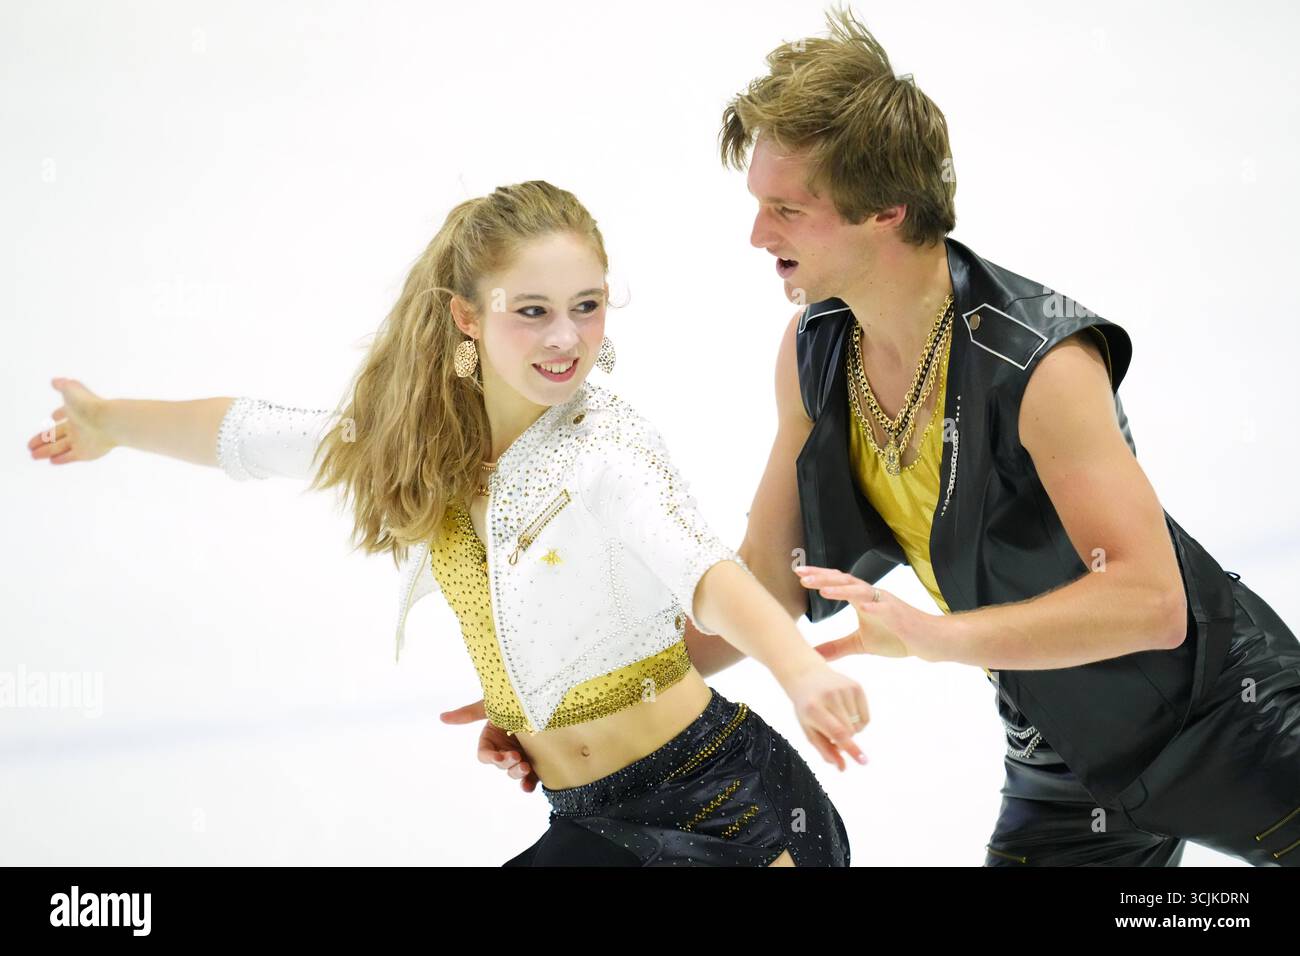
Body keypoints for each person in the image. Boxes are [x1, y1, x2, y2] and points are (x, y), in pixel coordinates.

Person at [466, 7, 1300, 867]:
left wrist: (936, 636)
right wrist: (573, 707)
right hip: (1064, 755)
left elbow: (1152, 603)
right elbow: (767, 584)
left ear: (886, 212)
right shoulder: (815, 353)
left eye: (787, 209)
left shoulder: (1038, 362)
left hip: (1231, 726)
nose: (759, 235)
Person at [28, 180, 865, 867]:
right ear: (467, 316)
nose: (565, 337)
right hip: (592, 820)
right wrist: (111, 423)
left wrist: (799, 670)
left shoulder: (605, 445)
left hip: (728, 813)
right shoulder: (421, 451)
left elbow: (708, 574)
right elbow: (252, 434)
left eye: (587, 305)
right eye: (531, 310)